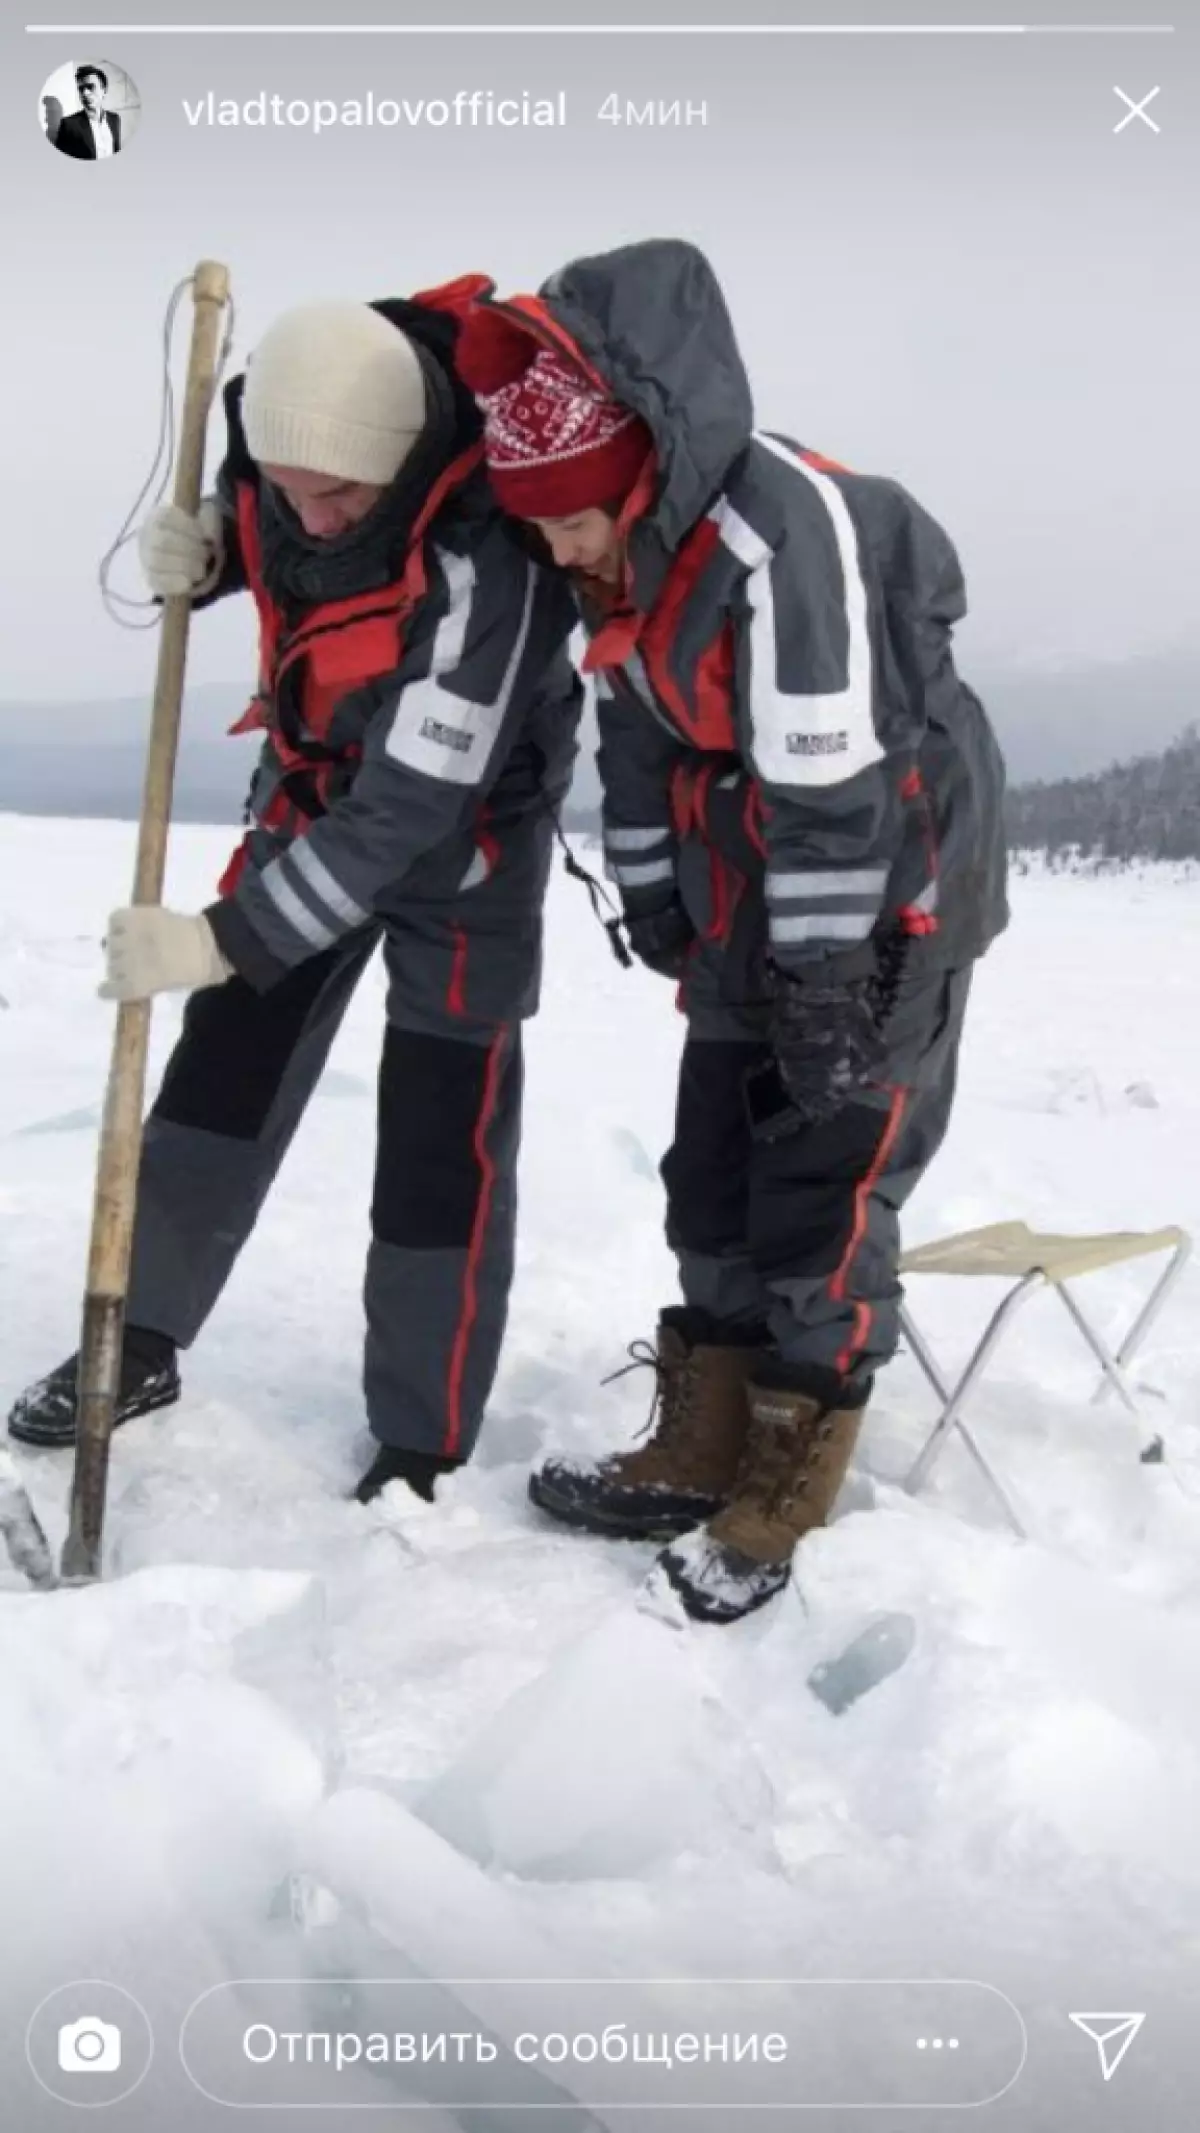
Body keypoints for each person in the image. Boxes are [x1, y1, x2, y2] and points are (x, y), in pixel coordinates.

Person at [457, 239, 1008, 1622]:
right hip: (750, 900)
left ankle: (787, 1482)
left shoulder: (785, 531)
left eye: (572, 517)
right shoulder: (626, 565)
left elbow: (833, 792)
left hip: (886, 898)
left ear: (637, 467)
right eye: (539, 523)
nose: (558, 545)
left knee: (821, 1189)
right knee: (712, 1172)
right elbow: (638, 747)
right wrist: (653, 891)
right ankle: (703, 1437)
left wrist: (827, 983)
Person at [8, 286, 582, 1505]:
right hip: (312, 803)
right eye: (288, 489)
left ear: (401, 459)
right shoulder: (285, 473)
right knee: (218, 1079)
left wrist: (223, 939)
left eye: (341, 498)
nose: (311, 517)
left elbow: (413, 807)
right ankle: (138, 1339)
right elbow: (277, 530)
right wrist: (211, 545)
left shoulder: (492, 559)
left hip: (463, 853)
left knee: (442, 1135)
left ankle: (421, 1434)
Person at [54, 66, 122, 158]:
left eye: (90, 87)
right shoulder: (69, 125)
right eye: (81, 89)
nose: (85, 93)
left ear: (104, 91)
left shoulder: (115, 119)